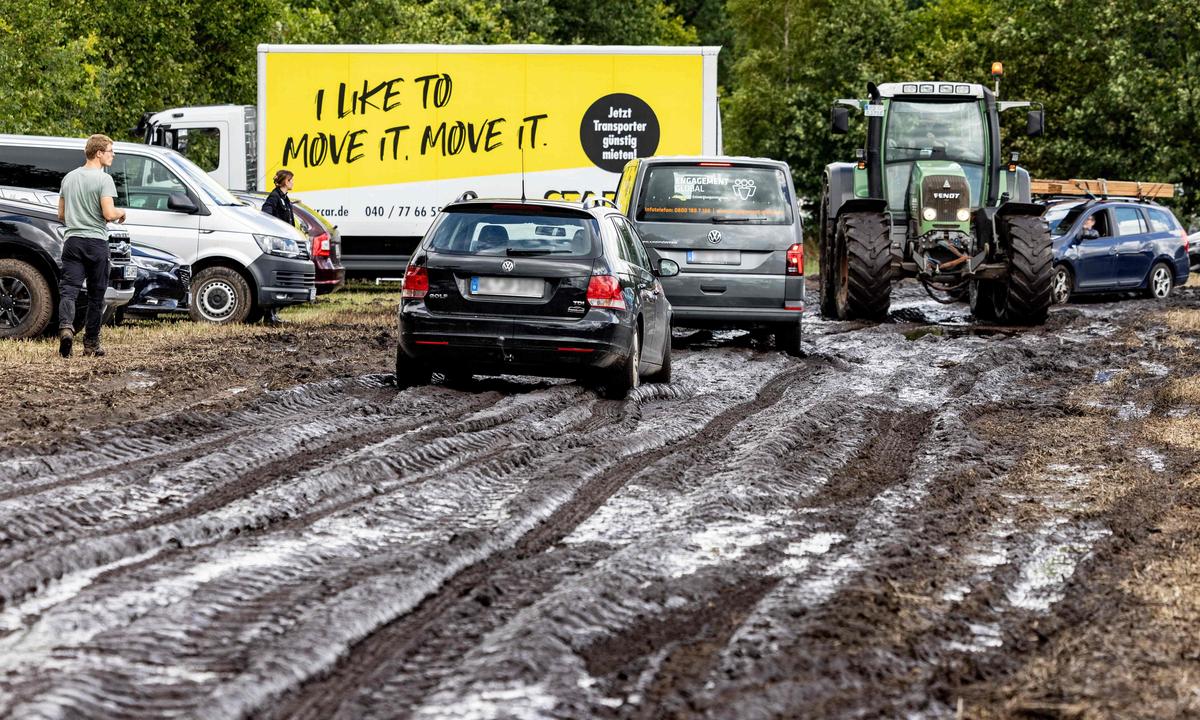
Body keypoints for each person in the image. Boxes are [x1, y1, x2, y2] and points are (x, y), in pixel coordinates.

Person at [56, 134, 126, 358]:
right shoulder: (104, 179)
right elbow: (108, 213)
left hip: (72, 242)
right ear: (99, 153)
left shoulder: (69, 178)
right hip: (96, 243)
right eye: (110, 151)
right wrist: (121, 212)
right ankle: (91, 344)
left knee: (69, 291)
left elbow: (61, 215)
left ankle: (66, 328)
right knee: (96, 295)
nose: (113, 155)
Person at [259, 169, 296, 325]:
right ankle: (269, 315)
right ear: (285, 181)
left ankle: (273, 313)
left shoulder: (285, 198)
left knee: (283, 281)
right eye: (291, 180)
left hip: (286, 243)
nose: (293, 182)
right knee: (276, 281)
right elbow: (266, 215)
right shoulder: (274, 197)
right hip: (278, 244)